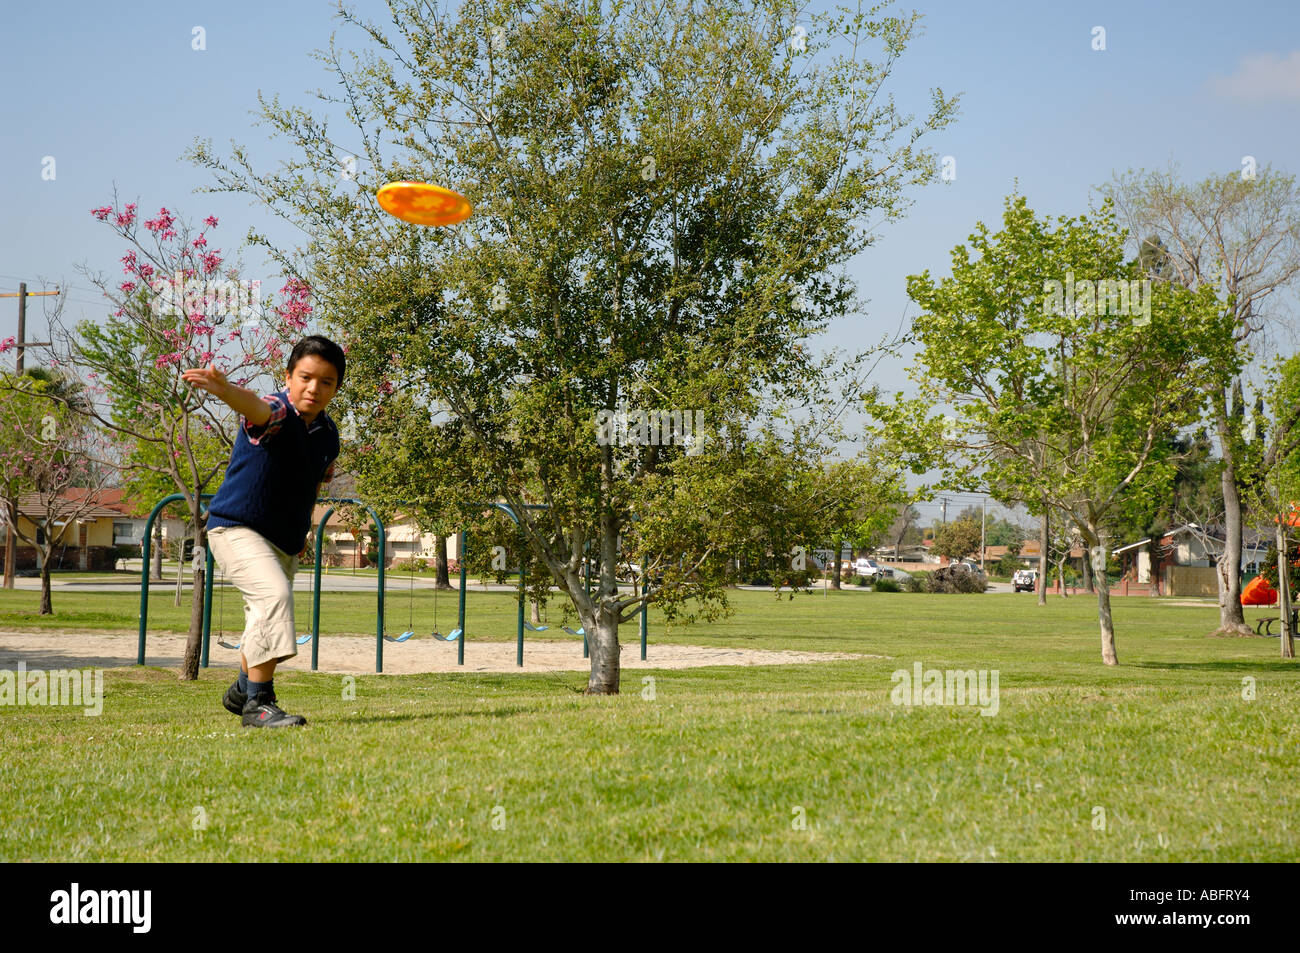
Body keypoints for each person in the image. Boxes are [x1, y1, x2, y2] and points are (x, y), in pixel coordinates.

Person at [182, 336, 344, 727]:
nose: (313, 388)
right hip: (236, 528)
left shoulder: (328, 435)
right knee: (275, 596)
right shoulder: (277, 412)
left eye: (326, 382)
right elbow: (256, 407)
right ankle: (259, 704)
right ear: (288, 376)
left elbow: (313, 485)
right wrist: (225, 390)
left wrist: (302, 532)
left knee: (263, 617)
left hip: (284, 540)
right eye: (305, 377)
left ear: (336, 388)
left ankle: (242, 688)